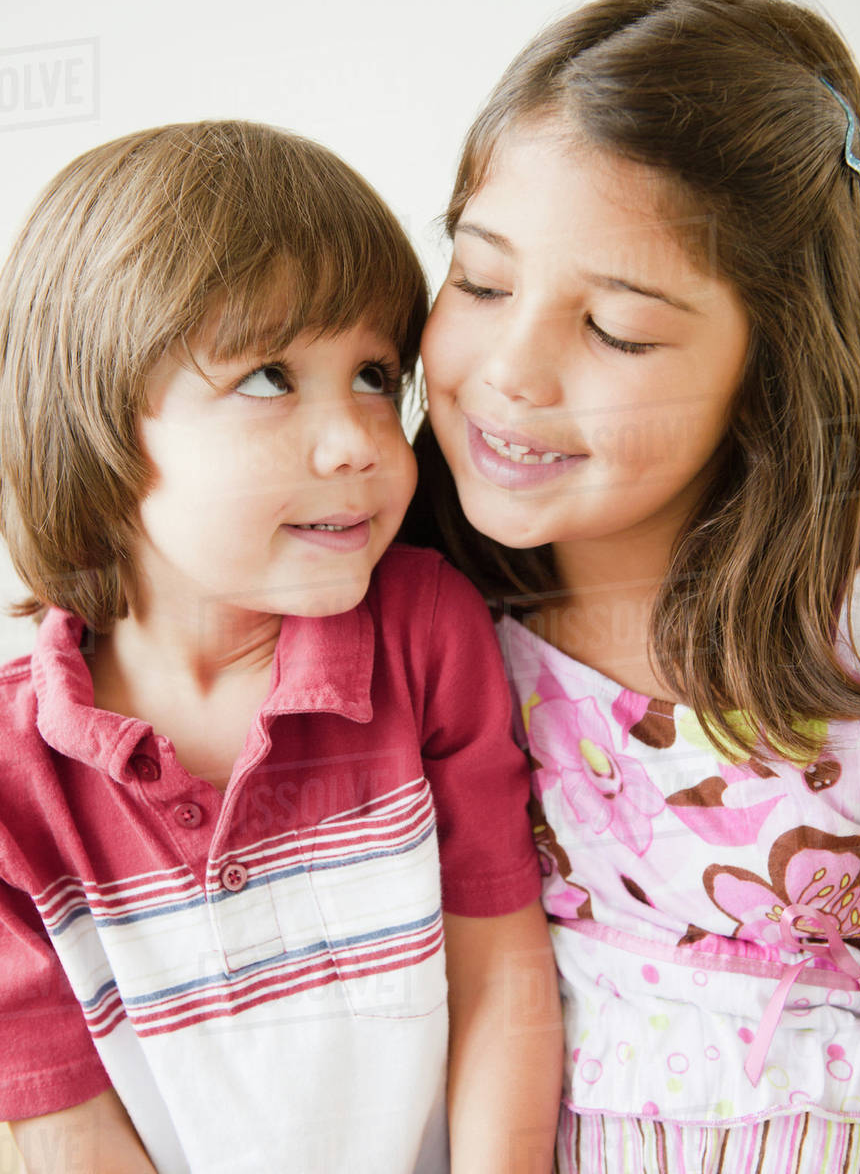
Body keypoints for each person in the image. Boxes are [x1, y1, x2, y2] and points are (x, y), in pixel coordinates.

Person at [0, 120, 562, 1174]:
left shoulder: (422, 633)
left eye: (370, 375)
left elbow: (501, 983)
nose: (359, 440)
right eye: (267, 376)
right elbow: (64, 1133)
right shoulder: (13, 780)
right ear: (99, 425)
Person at [405, 0, 860, 1170]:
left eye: (613, 330)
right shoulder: (418, 616)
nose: (509, 369)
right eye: (478, 280)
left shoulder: (856, 613)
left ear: (769, 369)